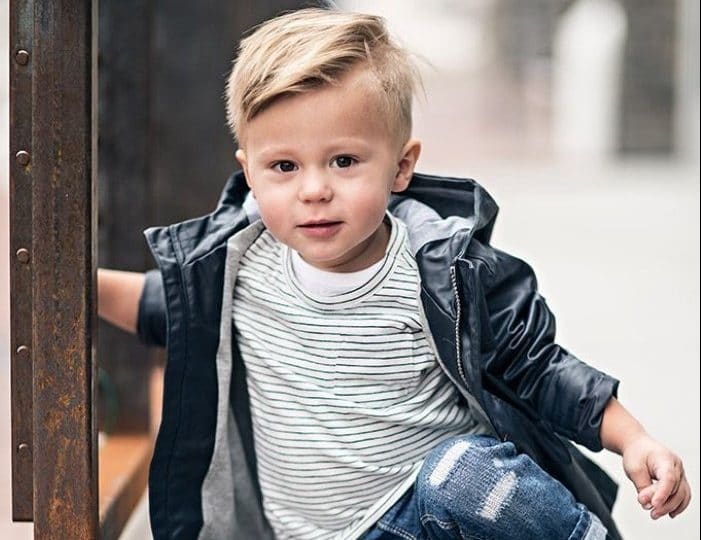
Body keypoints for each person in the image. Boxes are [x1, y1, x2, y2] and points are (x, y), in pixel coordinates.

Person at [98, 7, 691, 540]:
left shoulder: (439, 273)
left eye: (345, 161)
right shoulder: (236, 267)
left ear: (402, 166)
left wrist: (633, 438)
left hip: (426, 519)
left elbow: (540, 370)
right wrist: (65, 286)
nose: (314, 190)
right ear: (249, 172)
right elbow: (159, 306)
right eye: (283, 165)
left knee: (461, 474)